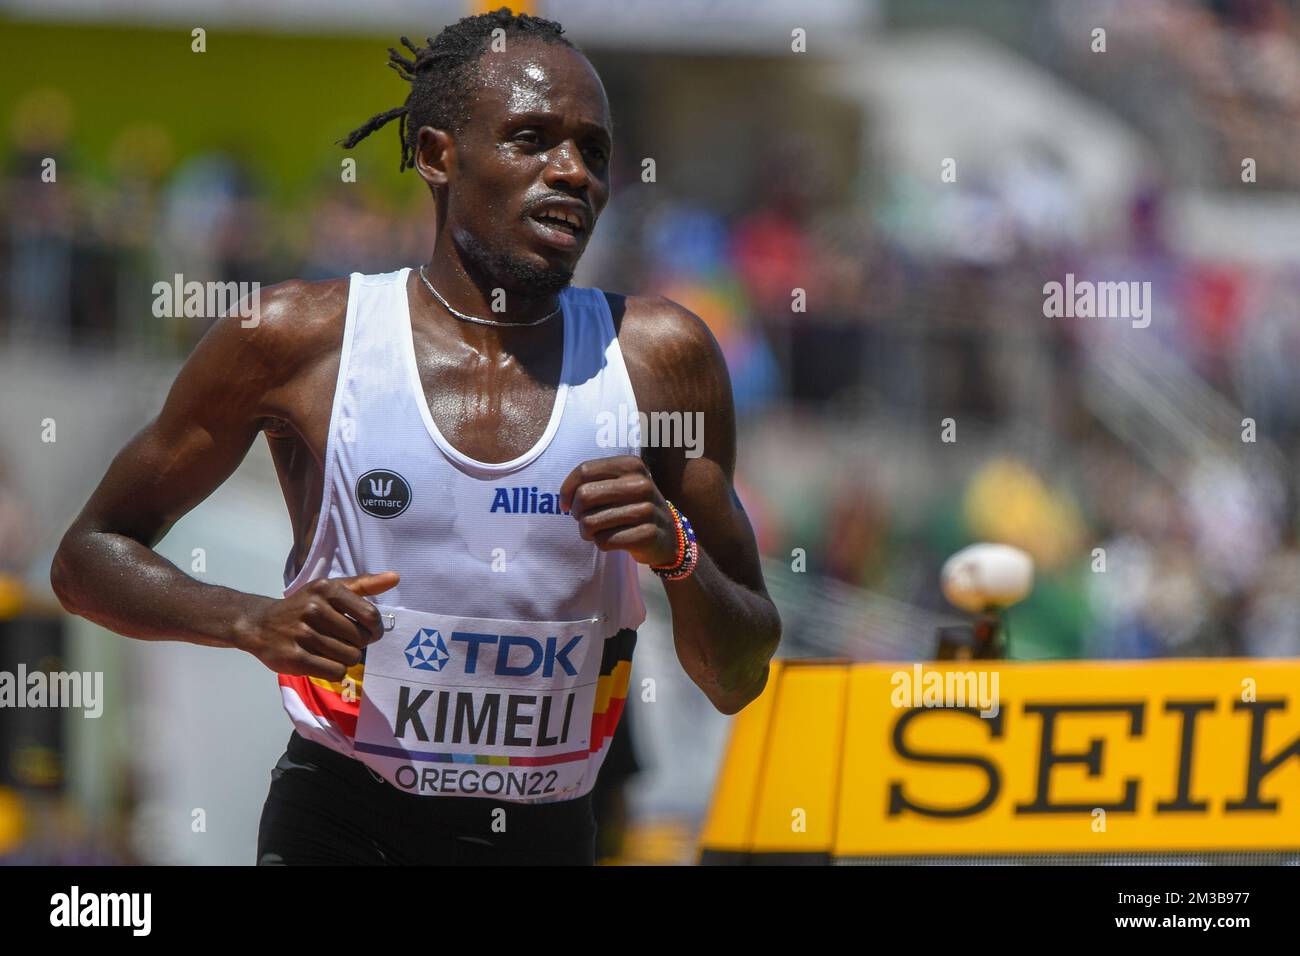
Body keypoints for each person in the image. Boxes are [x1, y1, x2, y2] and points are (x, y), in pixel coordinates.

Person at [50, 8, 781, 866]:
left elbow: (738, 676)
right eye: (533, 139)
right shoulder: (298, 340)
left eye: (594, 150)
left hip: (545, 842)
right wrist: (251, 620)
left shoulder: (661, 359)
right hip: (342, 829)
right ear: (437, 155)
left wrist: (677, 551)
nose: (572, 172)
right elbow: (87, 558)